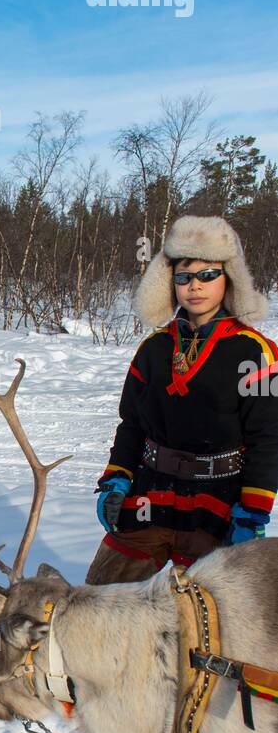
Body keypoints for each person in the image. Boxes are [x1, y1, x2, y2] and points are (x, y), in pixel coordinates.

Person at [86, 214, 278, 585]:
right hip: (149, 496)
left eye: (208, 275)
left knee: (203, 622)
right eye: (184, 277)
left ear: (229, 279)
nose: (195, 286)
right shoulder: (153, 349)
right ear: (169, 283)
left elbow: (267, 438)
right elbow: (132, 424)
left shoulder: (257, 353)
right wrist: (116, 480)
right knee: (100, 598)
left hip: (219, 505)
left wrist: (252, 512)